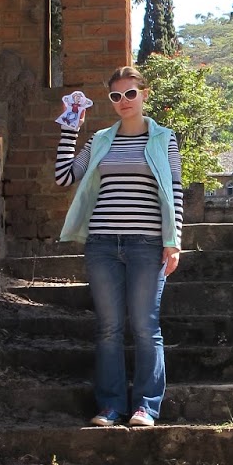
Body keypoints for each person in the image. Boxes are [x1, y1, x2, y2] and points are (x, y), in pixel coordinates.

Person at [55, 65, 182, 426]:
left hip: (147, 244)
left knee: (145, 325)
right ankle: (110, 406)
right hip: (102, 244)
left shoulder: (163, 139)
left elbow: (175, 191)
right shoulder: (100, 140)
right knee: (109, 327)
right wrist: (70, 130)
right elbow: (64, 176)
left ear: (144, 94)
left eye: (130, 93)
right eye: (115, 96)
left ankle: (146, 406)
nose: (123, 101)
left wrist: (174, 243)